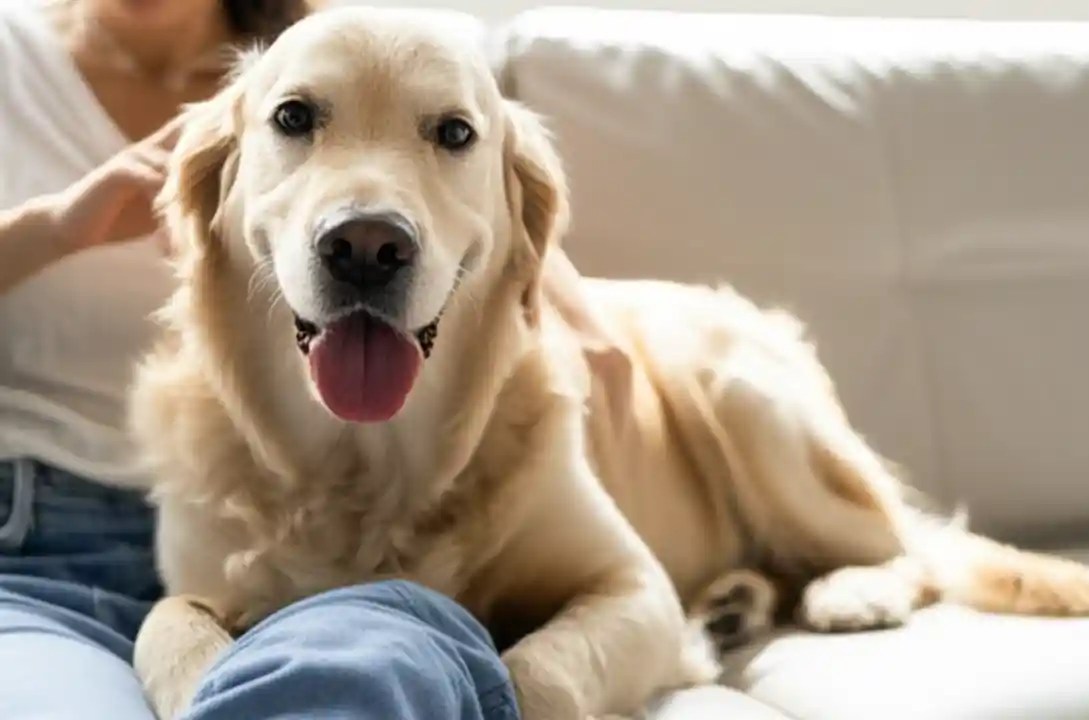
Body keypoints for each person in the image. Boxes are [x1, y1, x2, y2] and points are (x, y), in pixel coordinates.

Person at [0, 1, 635, 717]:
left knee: (372, 652)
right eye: (297, 121)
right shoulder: (12, 55)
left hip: (224, 547)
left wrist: (575, 310)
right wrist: (50, 227)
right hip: (39, 548)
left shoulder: (335, 52)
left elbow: (492, 221)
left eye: (449, 132)